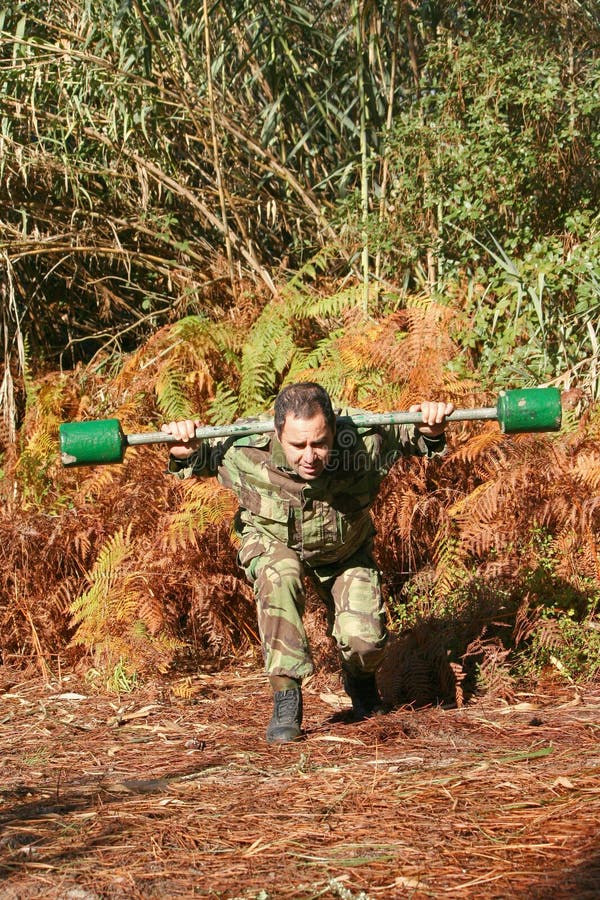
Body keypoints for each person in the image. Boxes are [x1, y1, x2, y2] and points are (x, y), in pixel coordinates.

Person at [162, 382, 453, 744]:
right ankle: (286, 696)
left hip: (344, 550)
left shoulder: (364, 439)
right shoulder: (244, 446)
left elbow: (414, 434)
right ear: (277, 432)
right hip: (273, 543)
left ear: (333, 428)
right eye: (297, 446)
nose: (310, 456)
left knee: (365, 643)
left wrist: (430, 424)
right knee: (279, 575)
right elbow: (198, 456)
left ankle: (361, 683)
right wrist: (182, 447)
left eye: (320, 443)